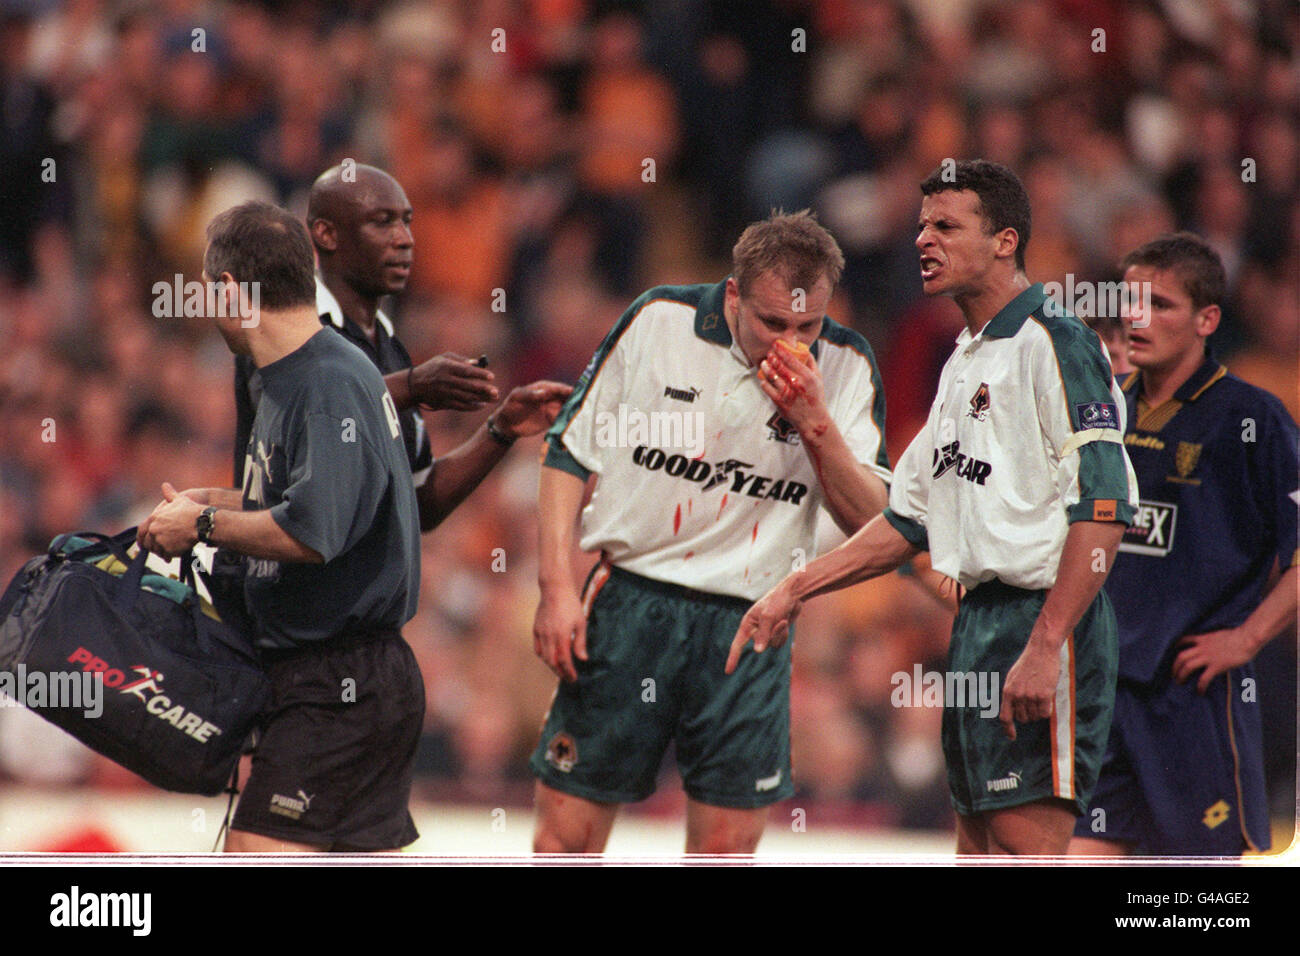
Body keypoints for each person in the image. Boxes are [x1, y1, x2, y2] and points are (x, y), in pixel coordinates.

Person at [728, 160, 1140, 855]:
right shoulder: (963, 360)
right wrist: (794, 589)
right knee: (976, 851)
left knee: (1021, 851)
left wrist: (1044, 646)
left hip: (1042, 623)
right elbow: (904, 519)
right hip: (977, 624)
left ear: (1006, 241)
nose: (924, 239)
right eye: (922, 225)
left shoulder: (1055, 341)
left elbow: (1106, 505)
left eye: (946, 226)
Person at [530, 210, 892, 853]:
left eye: (808, 325)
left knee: (724, 852)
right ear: (733, 294)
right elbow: (568, 453)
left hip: (749, 625)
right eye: (772, 323)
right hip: (630, 603)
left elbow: (872, 522)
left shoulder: (845, 365)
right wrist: (556, 590)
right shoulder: (657, 320)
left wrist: (816, 422)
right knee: (566, 841)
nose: (791, 342)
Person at [138, 200, 423, 851]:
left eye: (209, 294)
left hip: (340, 684)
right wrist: (213, 501)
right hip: (336, 679)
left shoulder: (326, 381)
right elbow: (304, 496)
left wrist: (203, 526)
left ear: (233, 291)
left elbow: (311, 531)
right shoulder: (285, 377)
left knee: (252, 857)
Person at [1069, 233, 1298, 856]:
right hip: (1106, 697)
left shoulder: (1252, 419)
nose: (1138, 318)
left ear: (1208, 319)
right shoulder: (1103, 416)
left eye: (1160, 305)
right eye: (1131, 303)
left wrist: (1247, 639)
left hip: (1194, 700)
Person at [234, 163, 571, 526]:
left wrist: (501, 429)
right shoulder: (281, 322)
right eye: (382, 222)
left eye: (406, 221)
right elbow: (300, 413)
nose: (405, 238)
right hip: (289, 579)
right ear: (327, 234)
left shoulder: (390, 348)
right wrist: (411, 386)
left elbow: (419, 503)